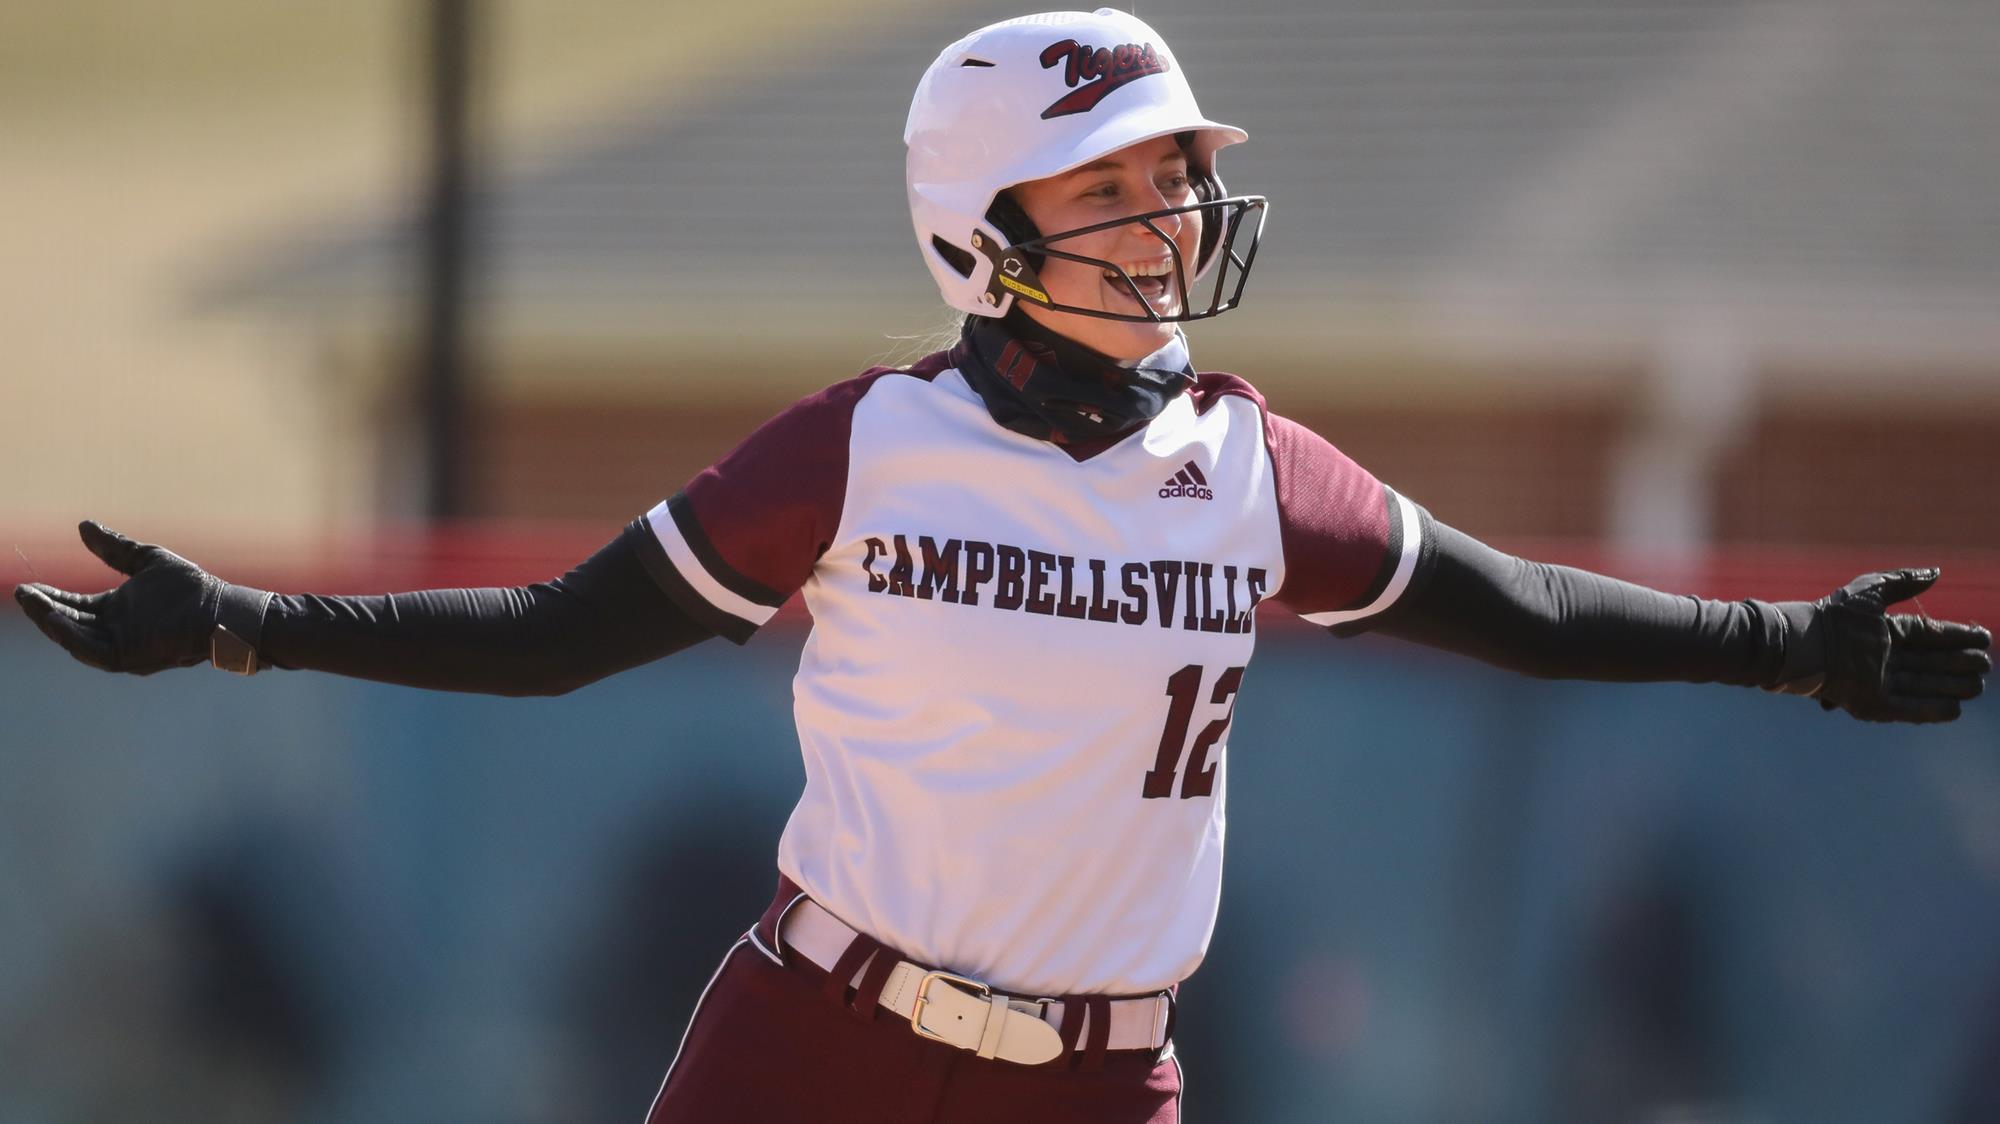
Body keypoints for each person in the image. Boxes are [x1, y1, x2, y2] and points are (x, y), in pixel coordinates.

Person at [13, 9, 1989, 1123]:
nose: (1175, 214)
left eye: (1174, 181)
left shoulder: (1250, 467)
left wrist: (1787, 648)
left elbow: (1528, 613)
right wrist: (247, 627)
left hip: (1094, 1083)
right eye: (1119, 186)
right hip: (813, 1040)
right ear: (986, 232)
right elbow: (556, 641)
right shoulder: (861, 448)